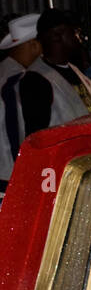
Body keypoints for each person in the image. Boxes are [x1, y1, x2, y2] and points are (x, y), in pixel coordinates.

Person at [19, 9, 91, 137]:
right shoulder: (35, 80)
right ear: (56, 36)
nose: (79, 37)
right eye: (74, 32)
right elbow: (37, 137)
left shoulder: (75, 70)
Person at [1, 13, 41, 197]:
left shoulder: (5, 75)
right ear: (33, 45)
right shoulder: (16, 81)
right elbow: (13, 133)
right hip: (10, 179)